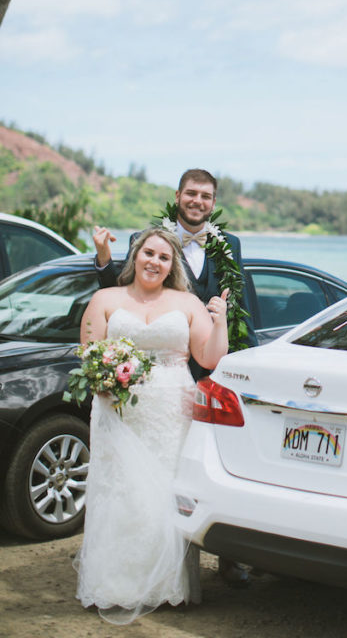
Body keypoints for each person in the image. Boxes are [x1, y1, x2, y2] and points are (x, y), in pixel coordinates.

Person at [76, 226, 228, 623]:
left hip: (171, 411)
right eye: (148, 253)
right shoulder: (106, 297)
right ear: (135, 255)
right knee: (119, 491)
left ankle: (164, 585)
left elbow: (208, 358)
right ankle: (115, 583)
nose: (154, 262)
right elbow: (89, 351)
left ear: (171, 265)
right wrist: (103, 378)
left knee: (164, 491)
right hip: (118, 411)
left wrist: (221, 320)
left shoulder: (187, 302)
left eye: (163, 257)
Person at [93, 168, 256, 356]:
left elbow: (242, 304)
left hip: (215, 361)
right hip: (166, 355)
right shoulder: (146, 241)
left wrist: (249, 359)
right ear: (178, 196)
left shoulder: (230, 244)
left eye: (205, 196)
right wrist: (104, 257)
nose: (197, 201)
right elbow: (121, 295)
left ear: (213, 203)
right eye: (191, 193)